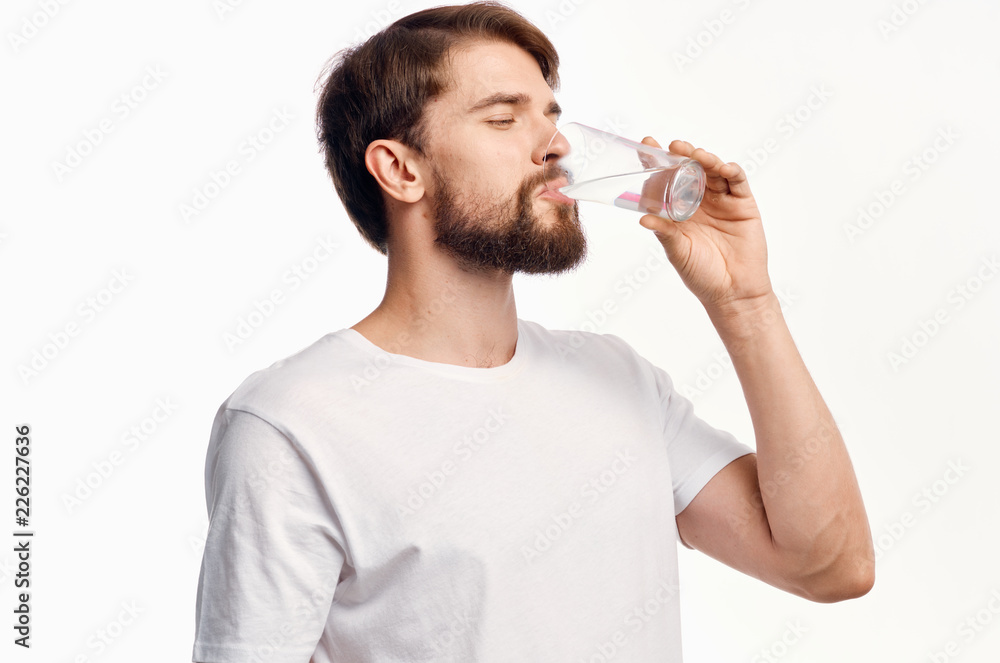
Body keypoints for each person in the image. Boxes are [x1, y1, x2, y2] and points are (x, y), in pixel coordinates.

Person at [191, 3, 875, 662]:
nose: (554, 144)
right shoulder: (292, 423)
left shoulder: (618, 379)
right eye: (502, 118)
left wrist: (746, 303)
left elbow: (830, 563)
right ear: (401, 169)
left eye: (549, 114)